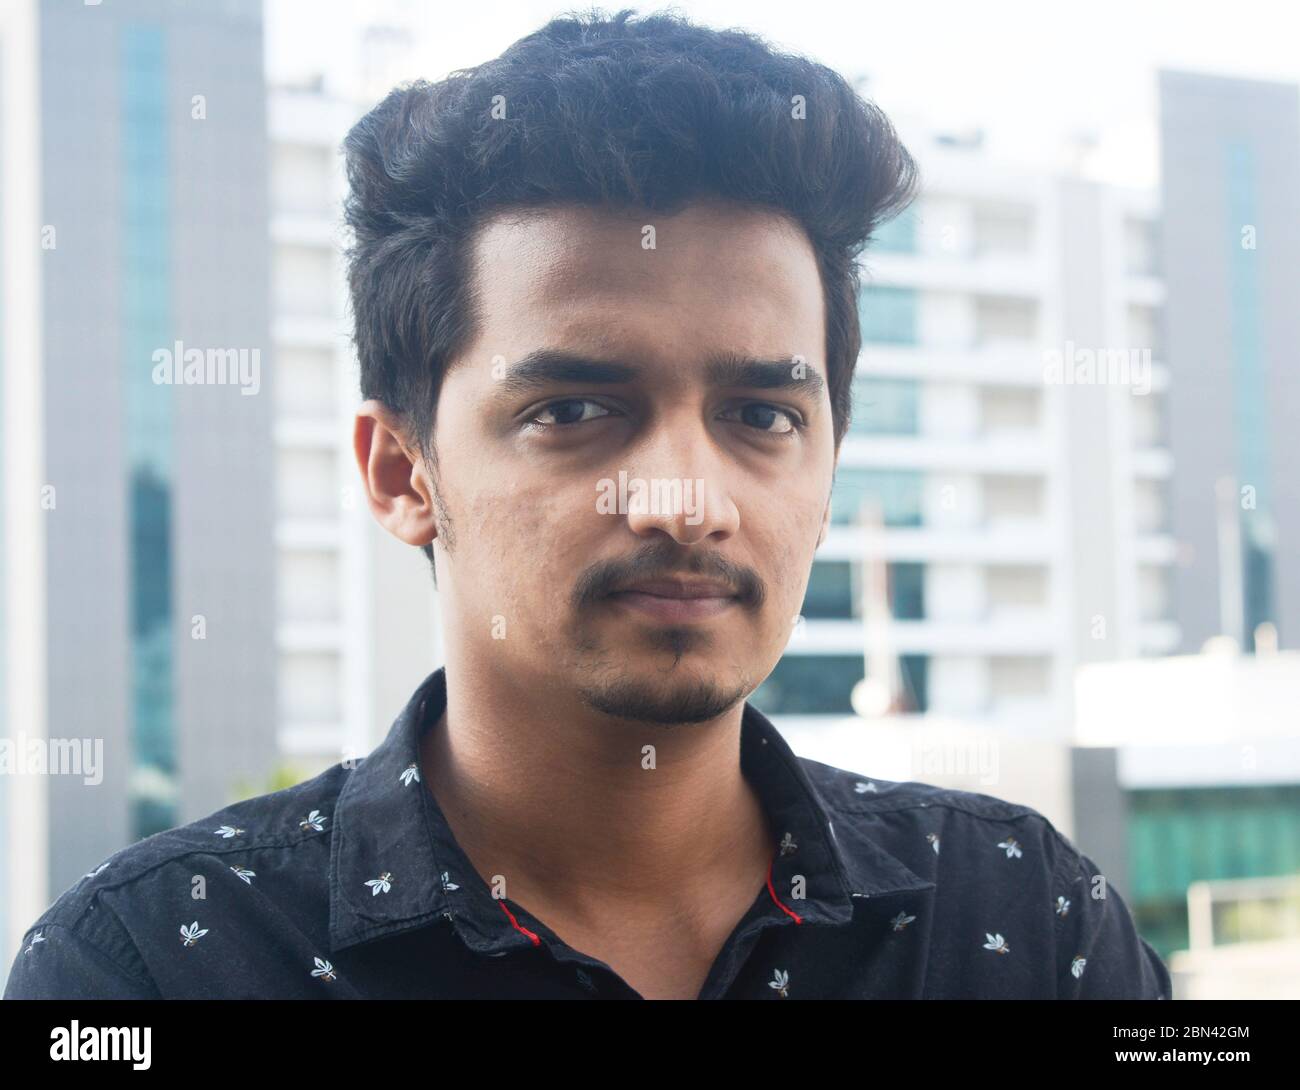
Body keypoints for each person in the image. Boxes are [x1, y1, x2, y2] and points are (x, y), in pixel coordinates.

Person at [5, 7, 1170, 1000]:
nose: (684, 497)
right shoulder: (150, 967)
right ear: (403, 473)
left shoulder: (1025, 922)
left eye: (762, 414)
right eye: (573, 408)